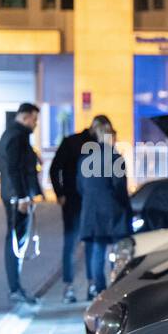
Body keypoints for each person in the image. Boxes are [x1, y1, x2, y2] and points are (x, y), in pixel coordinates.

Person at [50, 114, 111, 303]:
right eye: (105, 131)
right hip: (75, 202)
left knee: (87, 245)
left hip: (88, 203)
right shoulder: (72, 142)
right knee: (73, 244)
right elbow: (55, 168)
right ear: (97, 128)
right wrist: (60, 193)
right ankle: (70, 287)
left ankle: (88, 286)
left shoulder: (102, 147)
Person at [77, 121, 131, 298]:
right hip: (112, 211)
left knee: (97, 252)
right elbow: (119, 187)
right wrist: (126, 207)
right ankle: (117, 290)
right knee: (119, 252)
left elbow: (80, 186)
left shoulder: (85, 159)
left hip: (91, 211)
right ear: (112, 137)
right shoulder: (115, 159)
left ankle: (99, 291)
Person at [0, 102, 43, 304]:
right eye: (34, 119)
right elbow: (14, 169)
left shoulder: (15, 134)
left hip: (15, 196)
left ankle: (16, 288)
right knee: (16, 241)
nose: (36, 123)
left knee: (17, 239)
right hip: (17, 198)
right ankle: (15, 289)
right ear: (25, 117)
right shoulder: (17, 137)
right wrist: (23, 197)